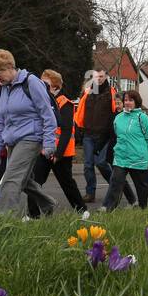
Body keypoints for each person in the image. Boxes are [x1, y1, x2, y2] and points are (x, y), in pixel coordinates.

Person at [0, 49, 57, 218]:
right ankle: (48, 203)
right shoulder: (3, 88)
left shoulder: (31, 82)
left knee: (11, 179)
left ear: (9, 67)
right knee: (23, 179)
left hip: (31, 139)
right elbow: (1, 120)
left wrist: (49, 143)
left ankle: (4, 222)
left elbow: (48, 115)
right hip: (12, 140)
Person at [28, 70, 90, 219]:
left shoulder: (65, 104)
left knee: (67, 183)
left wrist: (58, 153)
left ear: (55, 87)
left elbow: (67, 131)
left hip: (61, 153)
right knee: (34, 183)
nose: (41, 87)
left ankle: (82, 210)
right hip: (44, 150)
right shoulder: (41, 101)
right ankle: (33, 215)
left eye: (46, 84)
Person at [74, 70, 134, 205]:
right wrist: (79, 129)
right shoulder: (88, 92)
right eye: (96, 76)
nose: (99, 79)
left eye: (101, 76)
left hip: (105, 135)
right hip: (88, 134)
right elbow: (80, 111)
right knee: (88, 165)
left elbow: (118, 111)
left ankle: (115, 188)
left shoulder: (111, 93)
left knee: (101, 162)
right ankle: (90, 193)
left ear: (106, 77)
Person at [102, 89, 148, 210]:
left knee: (142, 187)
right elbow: (118, 136)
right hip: (121, 157)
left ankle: (145, 209)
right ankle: (107, 209)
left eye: (130, 100)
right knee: (115, 184)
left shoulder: (144, 119)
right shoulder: (118, 118)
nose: (127, 103)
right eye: (125, 100)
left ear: (137, 102)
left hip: (138, 159)